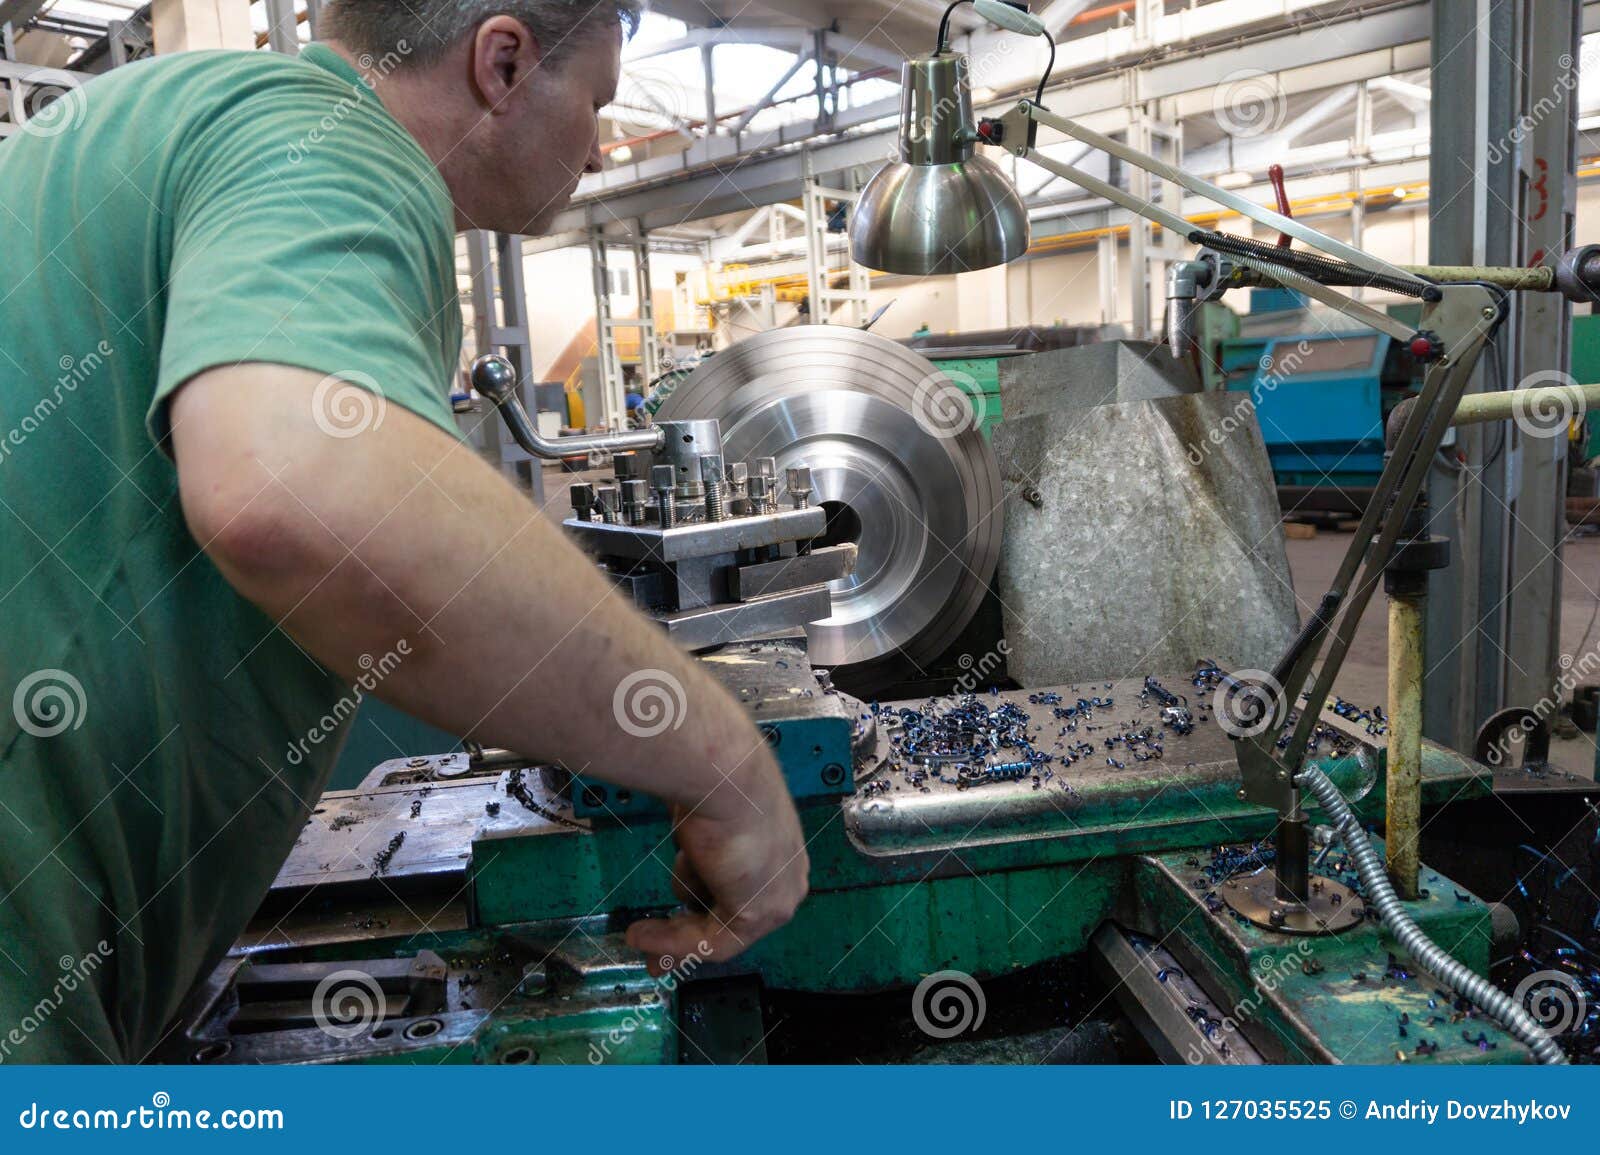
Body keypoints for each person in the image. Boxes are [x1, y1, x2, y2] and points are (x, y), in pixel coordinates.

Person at [0, 0, 807, 1063]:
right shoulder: (331, 144)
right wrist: (725, 768)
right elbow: (290, 491)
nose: (602, 141)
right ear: (503, 62)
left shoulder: (143, 121)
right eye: (597, 101)